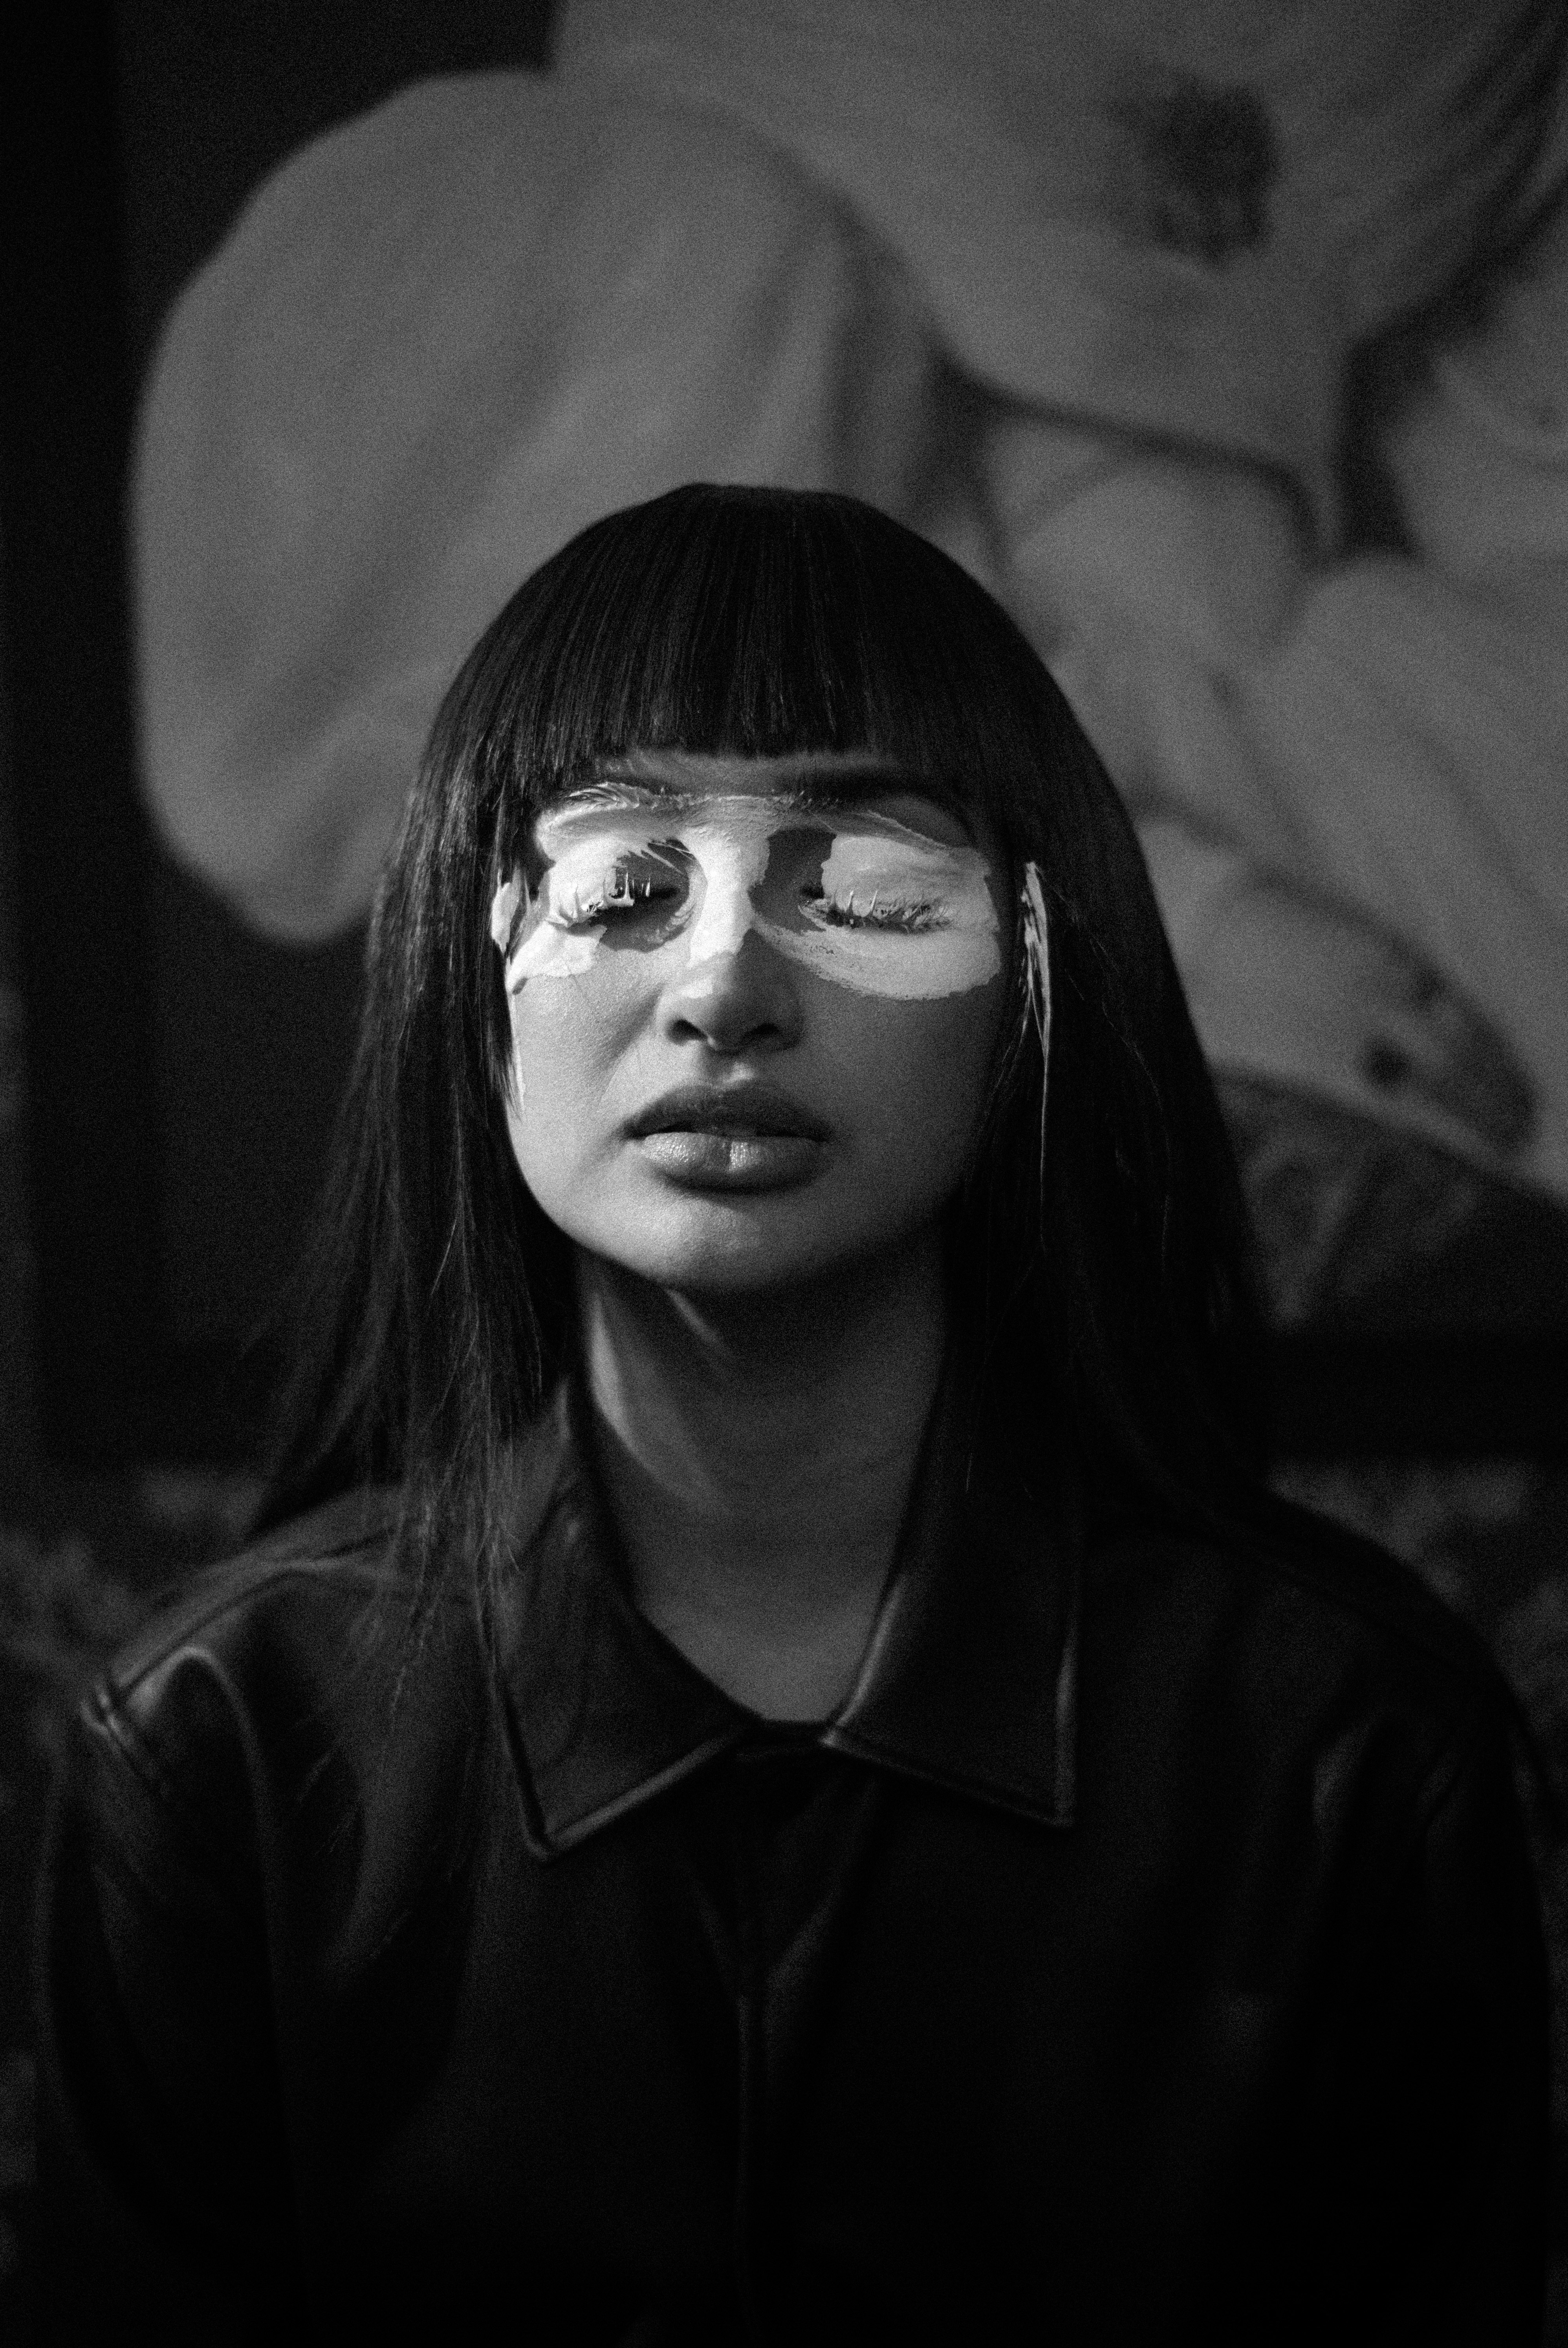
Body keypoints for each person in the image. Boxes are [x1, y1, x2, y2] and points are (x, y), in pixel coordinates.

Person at [37, 487, 1548, 2342]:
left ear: (1030, 994)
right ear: (478, 996)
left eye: (866, 890)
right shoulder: (226, 1751)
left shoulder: (1342, 1752)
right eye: (619, 889)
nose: (726, 985)